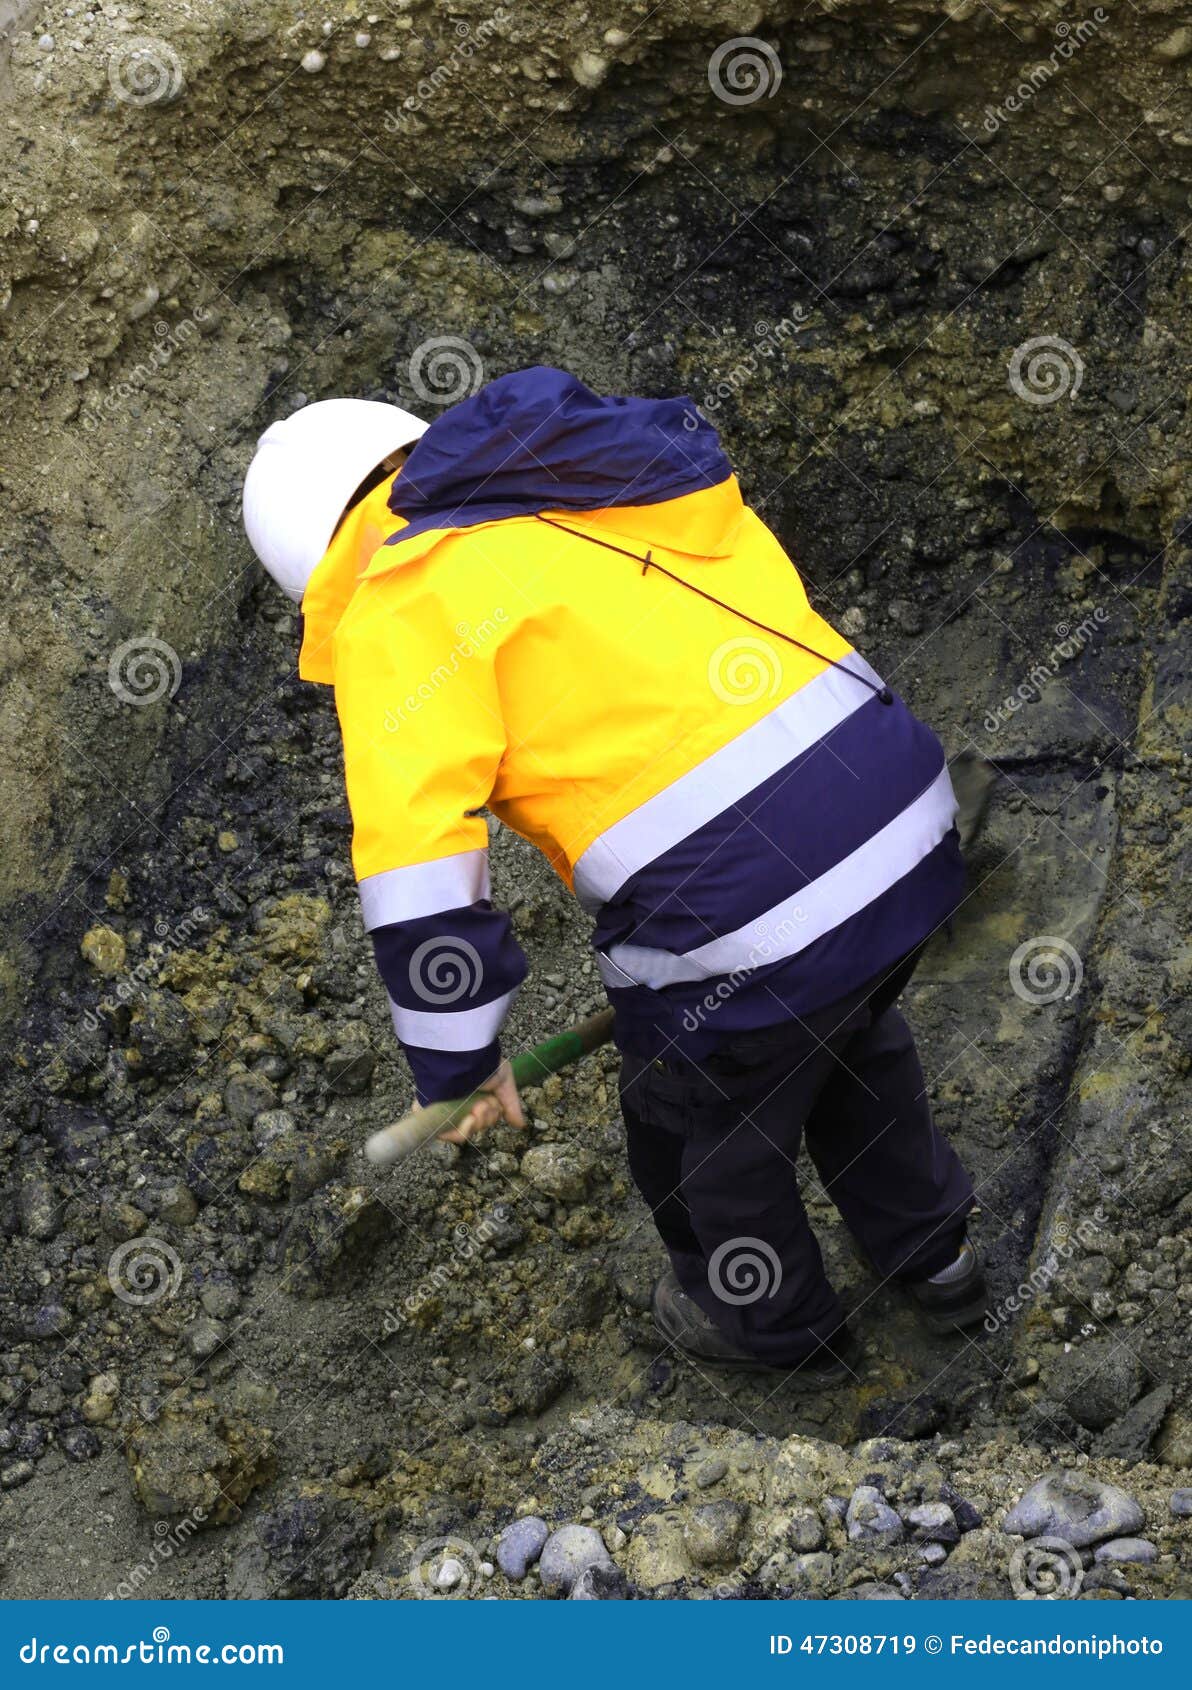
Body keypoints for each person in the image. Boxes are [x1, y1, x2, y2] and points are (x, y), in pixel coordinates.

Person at [242, 366, 986, 1381]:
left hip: (750, 915)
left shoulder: (398, 599)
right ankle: (935, 1257)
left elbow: (418, 862)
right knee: (846, 1035)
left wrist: (457, 1066)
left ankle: (781, 1338)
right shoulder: (591, 481)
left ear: (311, 562)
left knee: (694, 1137)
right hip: (902, 821)